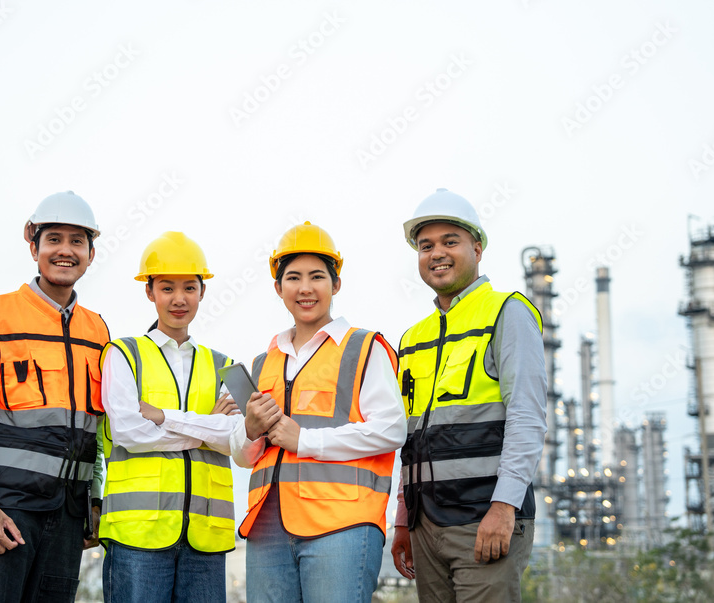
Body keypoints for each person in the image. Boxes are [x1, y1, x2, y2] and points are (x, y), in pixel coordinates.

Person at [0, 191, 109, 602]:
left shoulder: (99, 332)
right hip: (7, 515)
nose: (65, 251)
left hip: (69, 521)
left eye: (77, 241)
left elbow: (98, 432)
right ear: (33, 245)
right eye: (54, 239)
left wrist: (94, 503)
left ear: (90, 252)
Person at [230, 222, 406, 603]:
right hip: (268, 526)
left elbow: (392, 429)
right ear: (278, 288)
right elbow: (247, 458)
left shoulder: (364, 348)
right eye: (293, 277)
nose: (305, 288)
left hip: (342, 525)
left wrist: (306, 440)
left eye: (317, 277)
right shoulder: (264, 362)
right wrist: (249, 430)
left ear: (336, 284)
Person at [390, 188, 547, 603]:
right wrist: (404, 520)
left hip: (484, 519)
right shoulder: (413, 338)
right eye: (426, 246)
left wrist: (504, 507)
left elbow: (527, 417)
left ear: (477, 248)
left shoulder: (506, 313)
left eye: (450, 242)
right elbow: (409, 438)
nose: (436, 253)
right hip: (427, 527)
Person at [99, 232, 240, 603]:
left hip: (205, 538)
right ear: (150, 292)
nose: (179, 299)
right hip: (137, 537)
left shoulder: (224, 365)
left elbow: (238, 441)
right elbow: (129, 432)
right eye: (167, 287)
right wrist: (206, 423)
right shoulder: (123, 355)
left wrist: (163, 417)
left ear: (202, 292)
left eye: (189, 287)